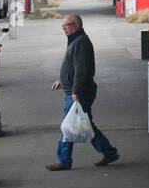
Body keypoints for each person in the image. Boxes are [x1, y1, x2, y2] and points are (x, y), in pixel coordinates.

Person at [47, 14, 119, 170]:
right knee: (86, 126)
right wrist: (63, 80)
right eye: (63, 25)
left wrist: (75, 91)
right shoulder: (76, 40)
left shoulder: (81, 42)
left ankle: (64, 161)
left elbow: (82, 69)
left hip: (80, 93)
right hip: (77, 90)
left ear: (76, 26)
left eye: (67, 25)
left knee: (68, 126)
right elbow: (73, 67)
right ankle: (109, 153)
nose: (64, 28)